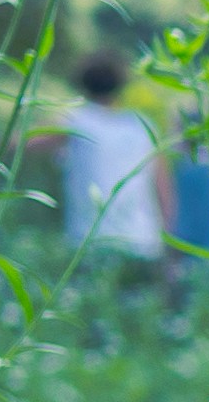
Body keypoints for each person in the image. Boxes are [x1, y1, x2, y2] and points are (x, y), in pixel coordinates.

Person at [56, 50, 171, 282]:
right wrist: (169, 239)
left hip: (91, 240)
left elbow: (22, 143)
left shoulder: (76, 121)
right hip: (142, 239)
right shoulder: (142, 127)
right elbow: (164, 187)